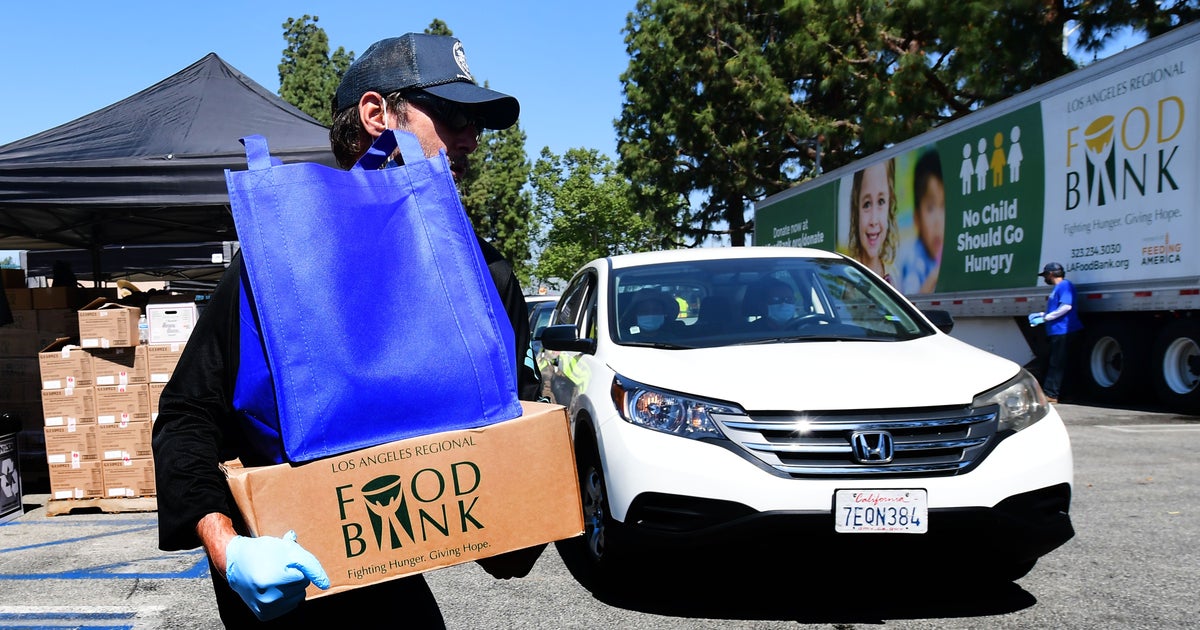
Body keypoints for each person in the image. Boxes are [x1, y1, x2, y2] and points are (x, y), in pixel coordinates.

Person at [152, 33, 541, 627]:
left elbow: (514, 437)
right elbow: (186, 415)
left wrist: (533, 500)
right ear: (376, 114)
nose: (471, 137)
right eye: (454, 114)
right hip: (285, 592)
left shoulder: (482, 274)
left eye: (478, 121)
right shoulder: (277, 261)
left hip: (396, 591)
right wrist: (227, 548)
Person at [1029, 262, 1084, 403]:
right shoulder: (1058, 288)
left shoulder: (1065, 286)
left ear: (1051, 274)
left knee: (1057, 363)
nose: (1044, 279)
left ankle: (1051, 394)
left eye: (1045, 275)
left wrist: (1047, 317)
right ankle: (1065, 393)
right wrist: (1042, 314)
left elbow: (1066, 306)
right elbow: (1059, 308)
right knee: (1058, 362)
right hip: (1058, 331)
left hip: (1064, 330)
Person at [899, 150, 945, 294]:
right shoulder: (913, 261)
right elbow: (911, 305)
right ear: (917, 218)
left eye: (945, 206)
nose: (938, 221)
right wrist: (935, 276)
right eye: (930, 208)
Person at [847, 159, 899, 286]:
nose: (874, 220)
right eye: (867, 204)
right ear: (856, 210)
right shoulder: (847, 276)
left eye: (881, 201)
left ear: (889, 205)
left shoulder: (895, 275)